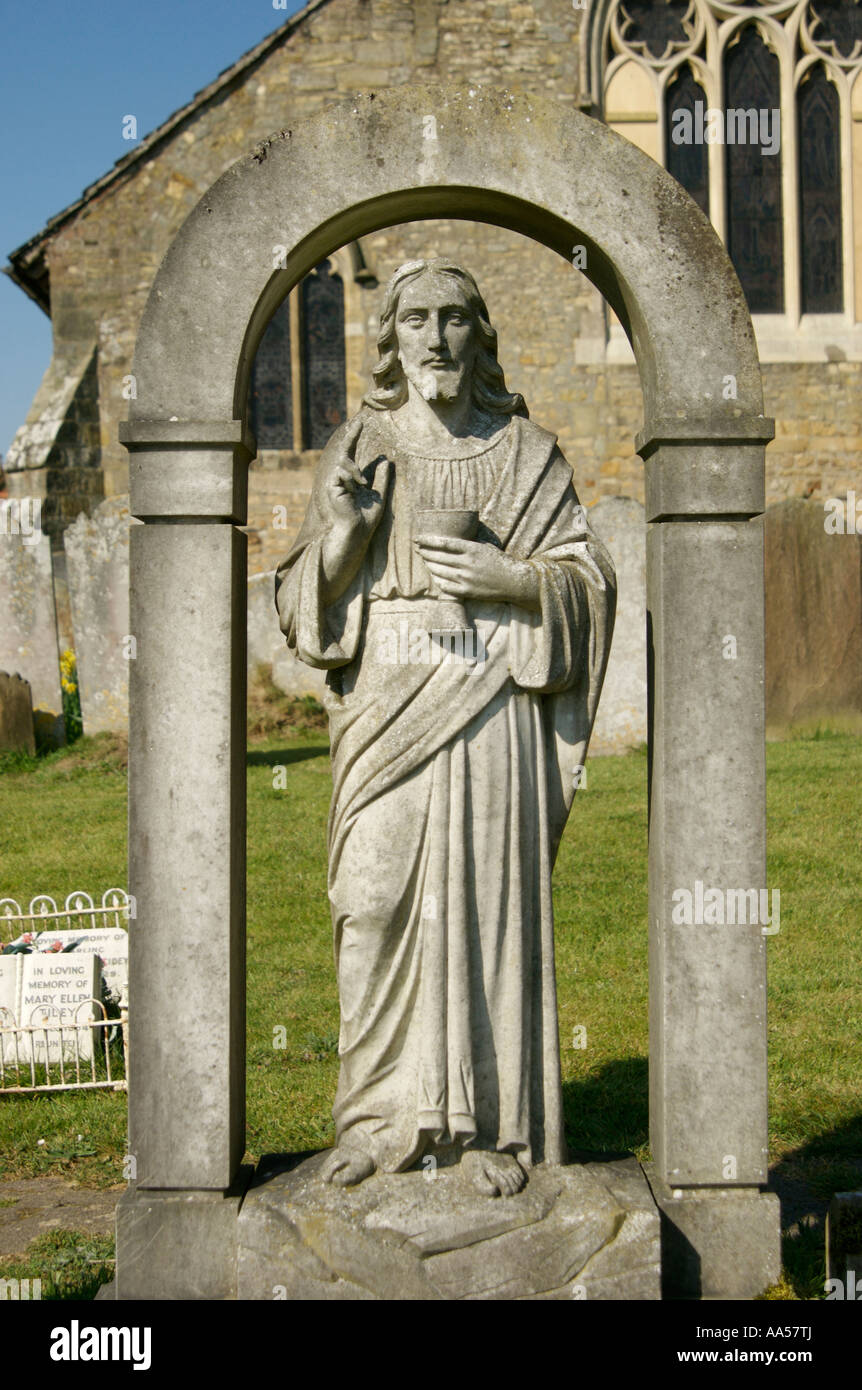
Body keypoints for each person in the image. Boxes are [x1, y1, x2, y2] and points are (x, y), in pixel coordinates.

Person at [275, 258, 616, 1196]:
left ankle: (488, 1134)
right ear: (390, 338)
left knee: (490, 906)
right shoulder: (361, 446)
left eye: (456, 318)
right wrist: (346, 535)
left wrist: (513, 580)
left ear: (481, 334)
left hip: (490, 700)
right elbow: (305, 613)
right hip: (386, 698)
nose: (435, 338)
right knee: (373, 900)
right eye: (416, 319)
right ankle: (377, 1122)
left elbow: (590, 581)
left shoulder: (527, 452)